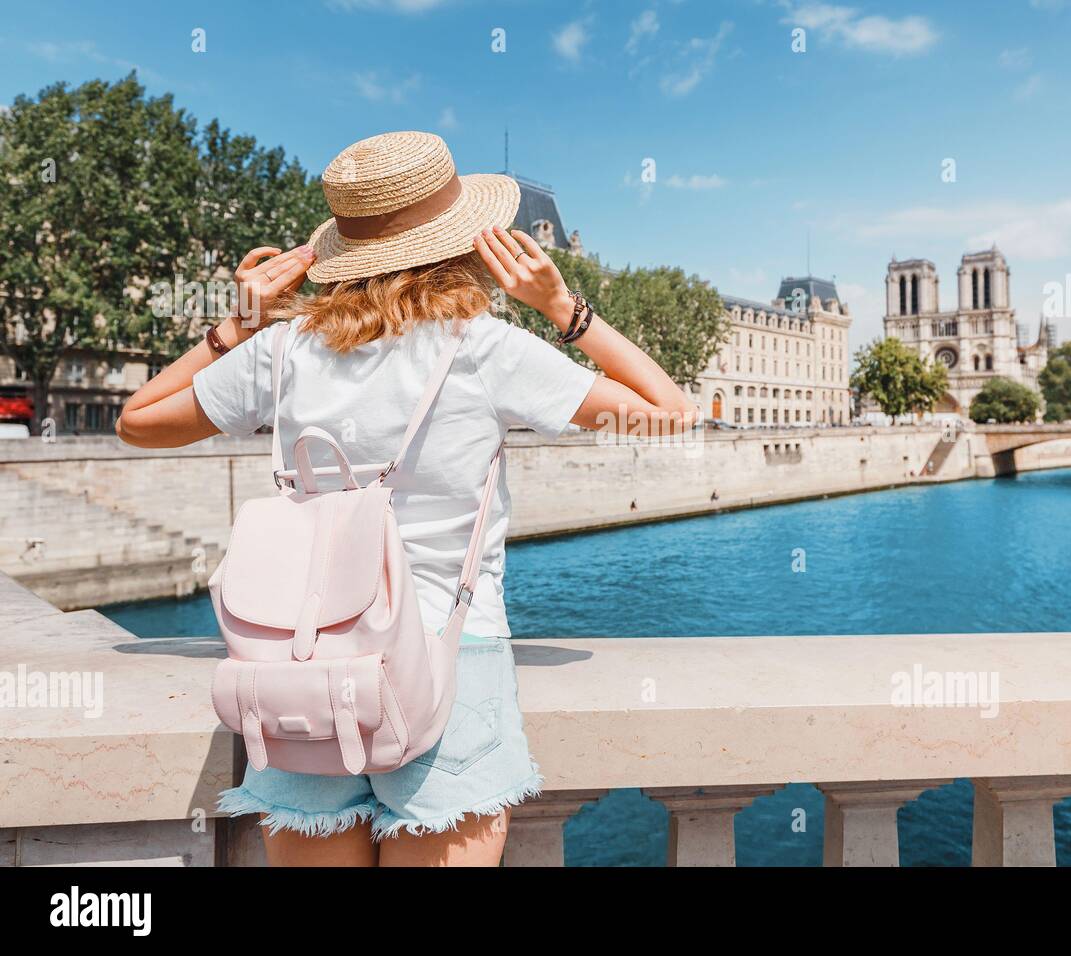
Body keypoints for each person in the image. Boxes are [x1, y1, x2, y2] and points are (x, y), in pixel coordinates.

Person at [116, 131, 695, 866]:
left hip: (303, 663)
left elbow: (137, 422)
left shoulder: (283, 349)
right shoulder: (486, 348)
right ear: (461, 246)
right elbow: (672, 412)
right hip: (452, 660)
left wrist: (238, 325)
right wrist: (562, 307)